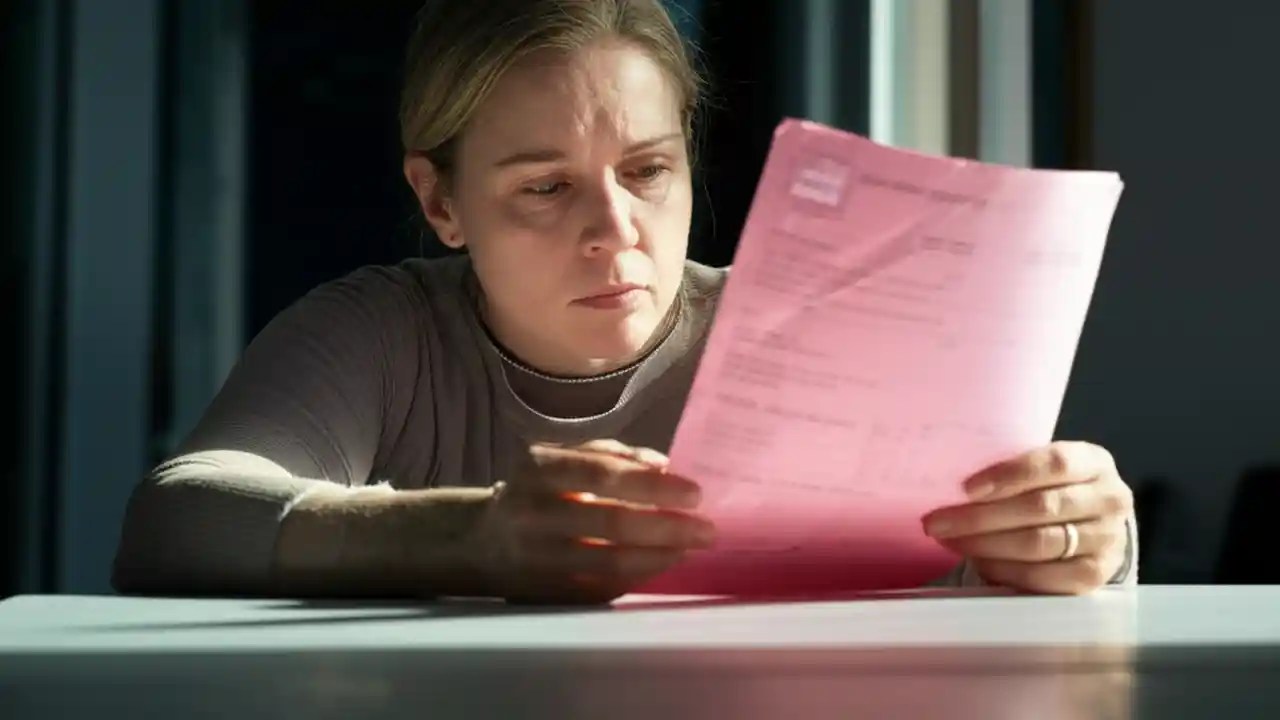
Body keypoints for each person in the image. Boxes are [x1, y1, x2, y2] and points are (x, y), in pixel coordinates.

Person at [111, 0, 1137, 604]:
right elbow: (174, 520)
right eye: (544, 187)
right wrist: (475, 537)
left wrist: (1080, 540)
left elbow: (970, 590)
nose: (614, 230)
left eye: (646, 170)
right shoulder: (383, 333)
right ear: (440, 202)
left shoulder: (808, 338)